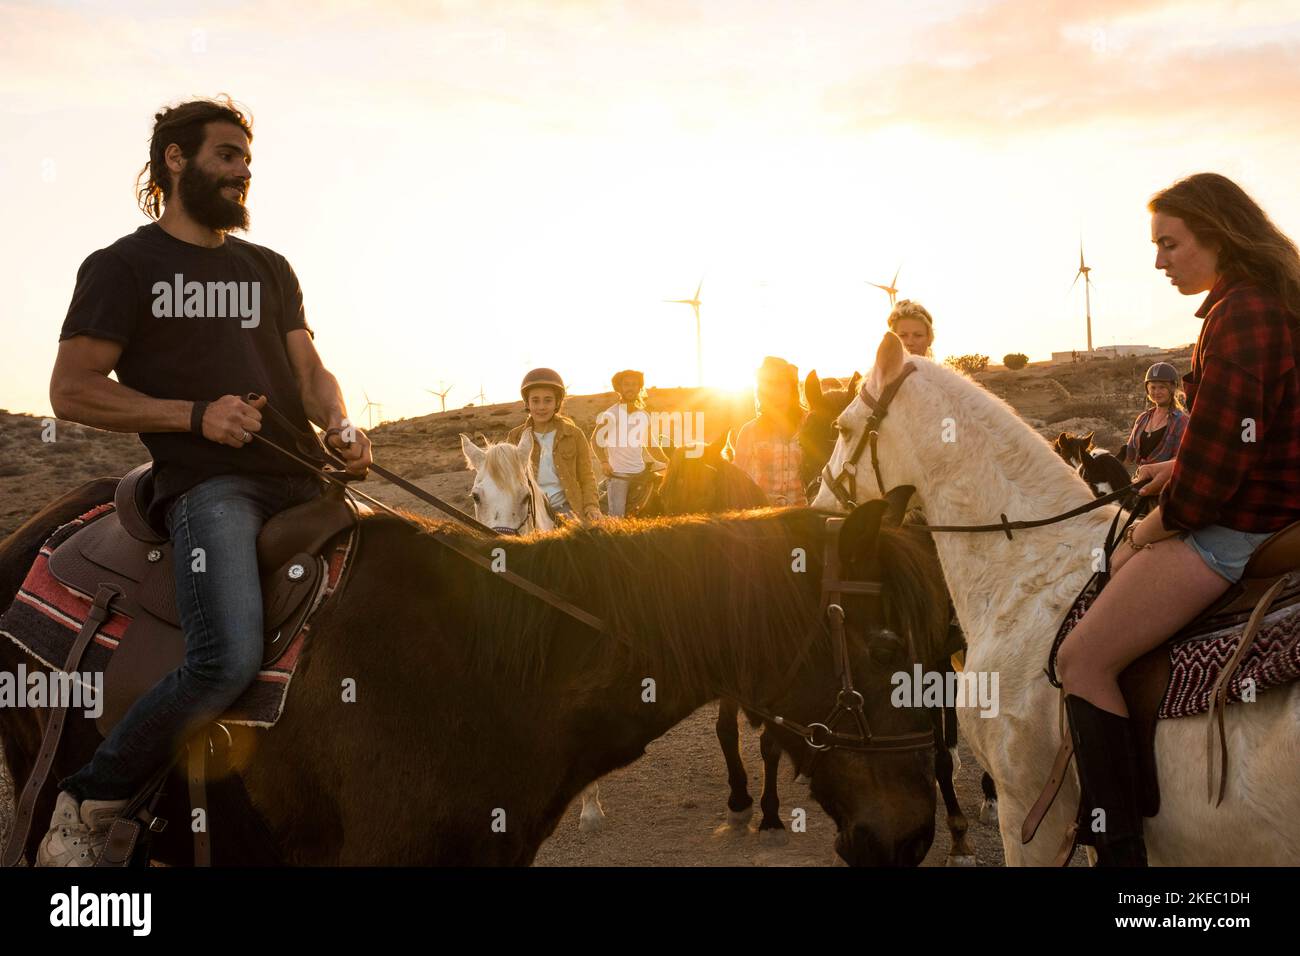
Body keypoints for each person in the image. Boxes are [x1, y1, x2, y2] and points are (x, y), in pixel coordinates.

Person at [41, 98, 372, 866]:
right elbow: (72, 389)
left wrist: (342, 424)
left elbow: (309, 369)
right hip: (213, 488)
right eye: (226, 156)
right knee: (224, 658)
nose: (241, 172)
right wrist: (195, 416)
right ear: (176, 162)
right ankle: (89, 802)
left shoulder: (268, 267)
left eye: (246, 161)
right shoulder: (124, 266)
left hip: (306, 481)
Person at [1056, 172, 1300, 866]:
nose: (1159, 261)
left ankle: (1120, 847)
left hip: (1241, 527)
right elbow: (1247, 432)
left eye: (1170, 244)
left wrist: (1148, 528)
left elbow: (1217, 482)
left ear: (1216, 236)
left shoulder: (1241, 314)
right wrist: (1174, 465)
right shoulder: (1268, 302)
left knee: (1082, 658)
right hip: (1272, 504)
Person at [507, 368, 602, 523]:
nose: (541, 407)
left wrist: (592, 506)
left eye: (548, 400)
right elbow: (507, 478)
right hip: (529, 511)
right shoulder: (515, 437)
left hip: (566, 508)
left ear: (557, 402)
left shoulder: (574, 434)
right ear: (527, 403)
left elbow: (586, 476)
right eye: (535, 400)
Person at [591, 369, 668, 517]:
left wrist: (668, 461)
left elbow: (650, 445)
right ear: (619, 388)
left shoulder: (644, 415)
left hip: (641, 472)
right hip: (619, 475)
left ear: (639, 388)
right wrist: (604, 462)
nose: (630, 388)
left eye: (634, 384)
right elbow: (595, 441)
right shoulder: (611, 414)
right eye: (626, 384)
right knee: (617, 518)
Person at [733, 356, 808, 506]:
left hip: (804, 518)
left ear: (792, 388)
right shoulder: (749, 432)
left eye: (780, 384)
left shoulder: (808, 428)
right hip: (763, 521)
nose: (774, 392)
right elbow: (737, 485)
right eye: (769, 386)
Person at [1119, 363, 1189, 469]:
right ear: (1147, 389)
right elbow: (1129, 454)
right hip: (1140, 478)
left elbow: (1178, 459)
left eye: (1162, 387)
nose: (1157, 392)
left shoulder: (1181, 421)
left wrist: (1151, 472)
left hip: (1166, 481)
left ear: (1172, 388)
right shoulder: (1142, 418)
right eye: (1153, 387)